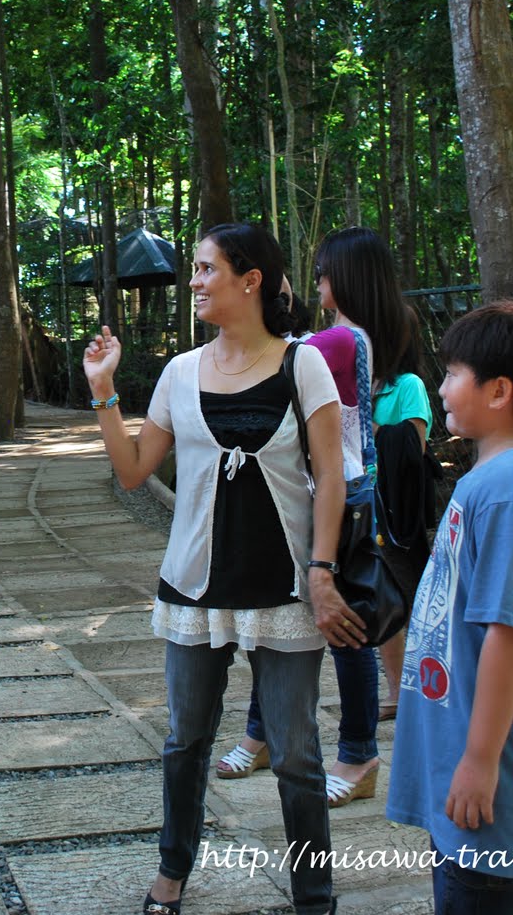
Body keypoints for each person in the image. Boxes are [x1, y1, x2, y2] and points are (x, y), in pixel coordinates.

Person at [84, 223, 362, 915]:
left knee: (297, 753)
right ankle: (171, 874)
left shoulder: (304, 366)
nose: (196, 281)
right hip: (195, 587)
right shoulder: (180, 372)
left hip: (285, 587)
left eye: (208, 269)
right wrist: (103, 390)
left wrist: (323, 570)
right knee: (186, 740)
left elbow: (331, 477)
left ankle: (314, 895)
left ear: (251, 279)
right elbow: (132, 472)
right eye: (196, 270)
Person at [385, 298, 513, 915]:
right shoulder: (491, 480)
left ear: (499, 391)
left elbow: (509, 634)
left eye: (452, 374)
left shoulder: (511, 495)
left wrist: (479, 760)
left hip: (497, 773)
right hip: (475, 759)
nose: (439, 387)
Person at [214, 227, 408, 810]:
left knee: (342, 633)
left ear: (345, 277)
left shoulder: (340, 343)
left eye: (324, 271)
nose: (318, 279)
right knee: (276, 625)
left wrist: (265, 300)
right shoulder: (341, 339)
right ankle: (263, 733)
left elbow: (278, 360)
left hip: (337, 504)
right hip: (317, 498)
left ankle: (358, 754)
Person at [374, 307, 441, 719]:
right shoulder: (363, 383)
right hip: (368, 507)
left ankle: (433, 687)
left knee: (417, 601)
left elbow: (412, 445)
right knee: (383, 605)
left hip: (398, 512)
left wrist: (366, 426)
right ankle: (397, 691)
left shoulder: (409, 385)